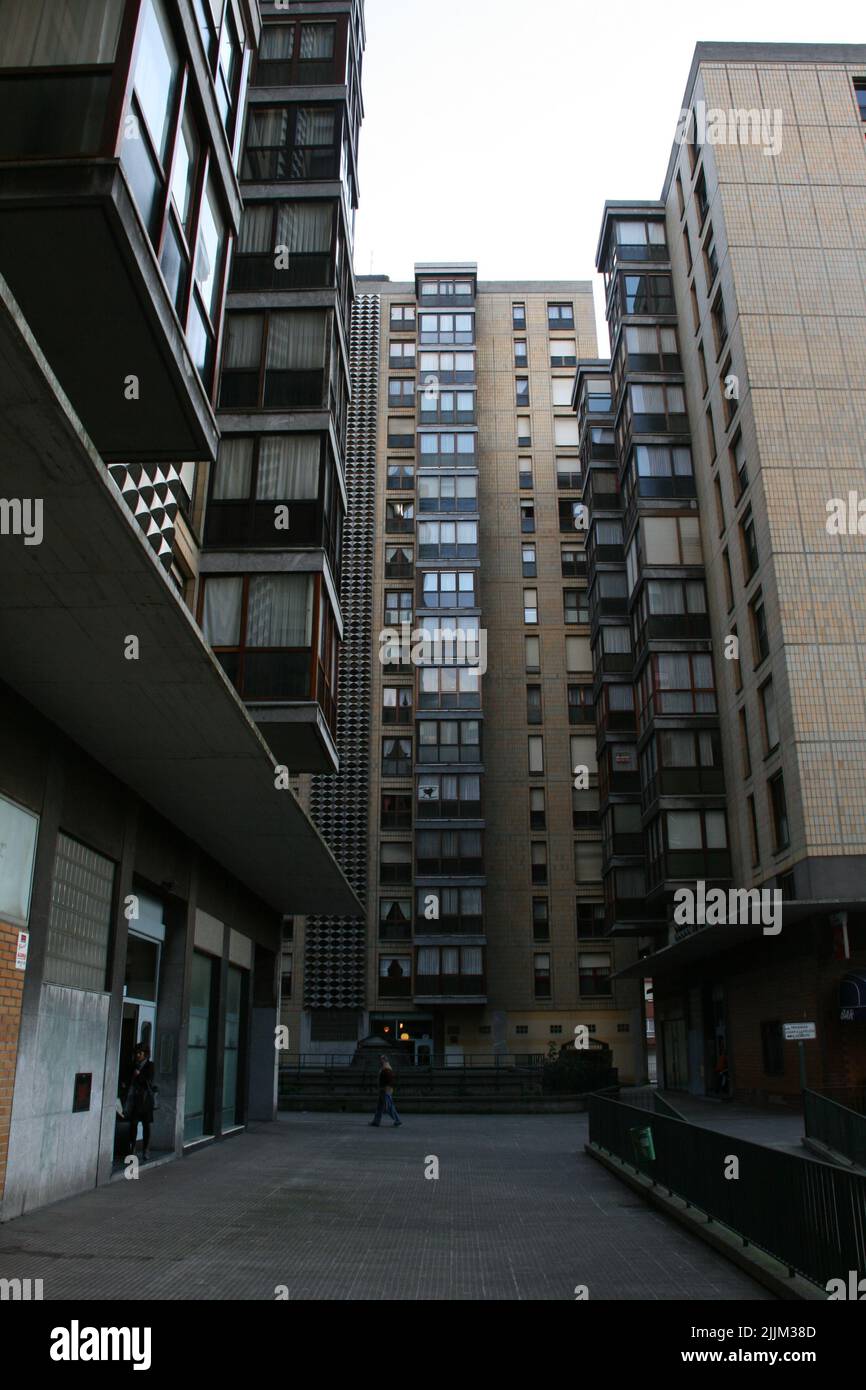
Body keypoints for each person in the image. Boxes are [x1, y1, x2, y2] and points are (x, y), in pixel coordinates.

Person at [125, 1043, 156, 1160]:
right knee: (133, 1124)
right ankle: (132, 1148)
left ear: (145, 1054)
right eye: (136, 1053)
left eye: (140, 1053)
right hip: (134, 1101)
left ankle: (145, 1149)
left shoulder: (150, 1065)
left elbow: (149, 1080)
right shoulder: (133, 1065)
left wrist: (139, 1075)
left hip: (146, 1100)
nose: (138, 1055)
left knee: (146, 1125)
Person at [369, 1054, 402, 1127]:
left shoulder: (387, 1068)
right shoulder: (385, 1067)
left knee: (389, 1107)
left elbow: (389, 1081)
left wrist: (387, 1089)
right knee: (380, 1106)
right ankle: (376, 1121)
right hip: (383, 1089)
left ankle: (397, 1120)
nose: (380, 1061)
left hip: (385, 1090)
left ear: (384, 1060)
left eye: (381, 1059)